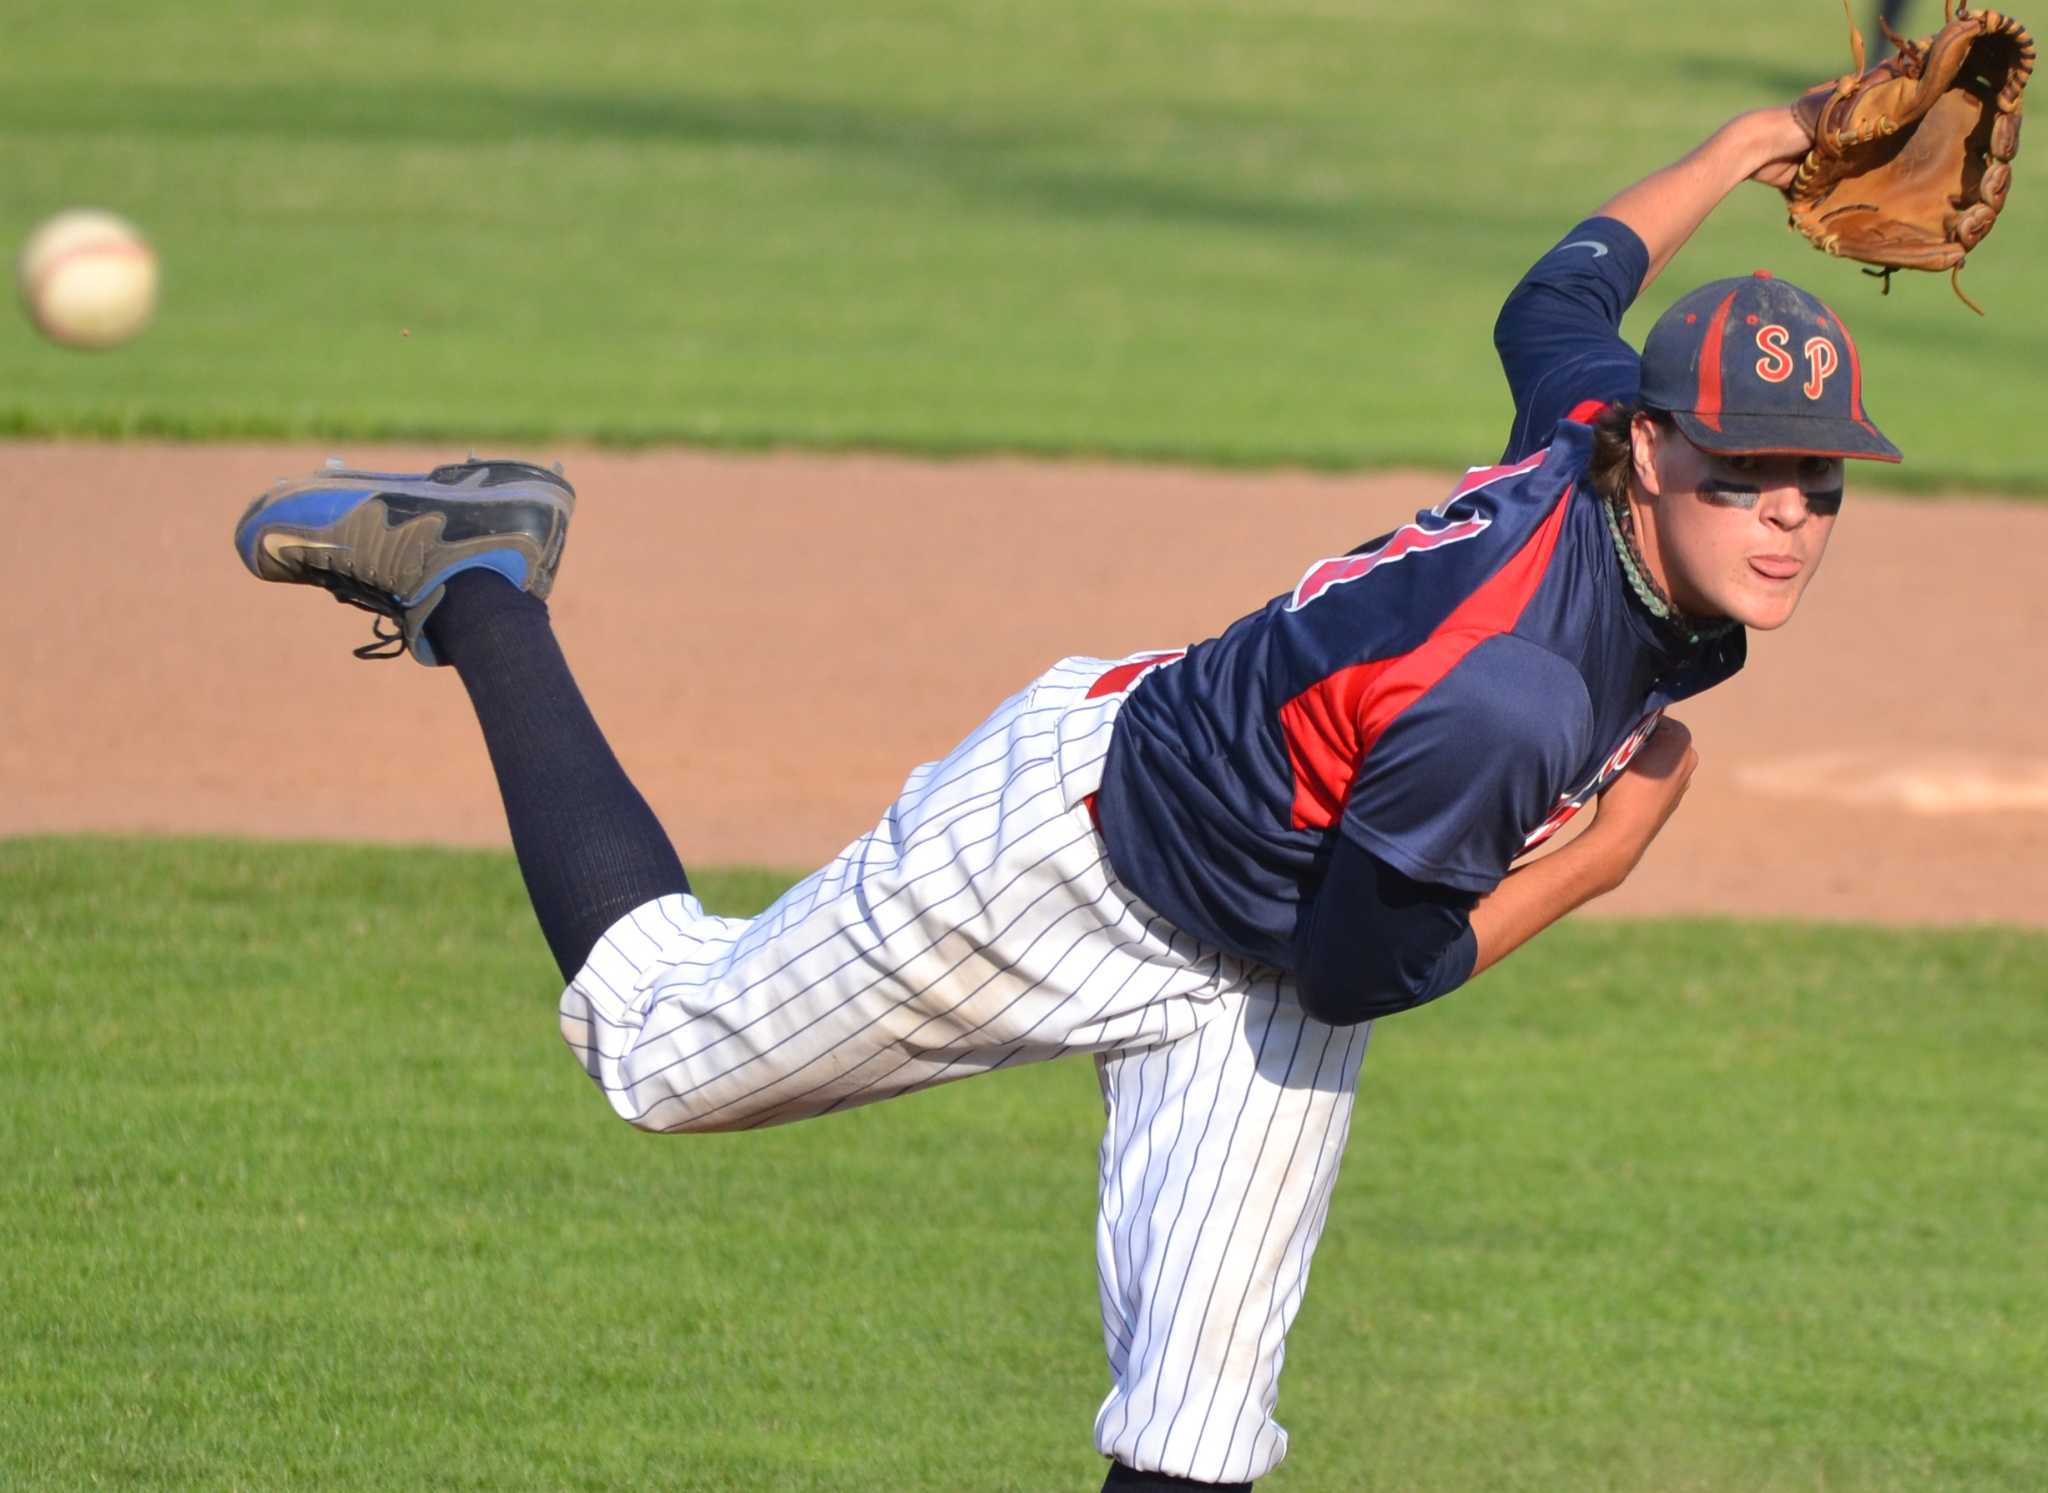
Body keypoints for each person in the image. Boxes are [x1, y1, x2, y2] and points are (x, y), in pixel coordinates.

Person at [233, 98, 1898, 1491]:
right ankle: (480, 578)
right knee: (663, 1053)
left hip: (1262, 946)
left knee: (1197, 1438)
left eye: (1813, 480)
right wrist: (1603, 858)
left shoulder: (1591, 424)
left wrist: (1750, 140)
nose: (1784, 515)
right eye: (1741, 469)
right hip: (1073, 855)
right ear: (1653, 453)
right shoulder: (1514, 694)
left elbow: (1562, 285)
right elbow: (1362, 967)